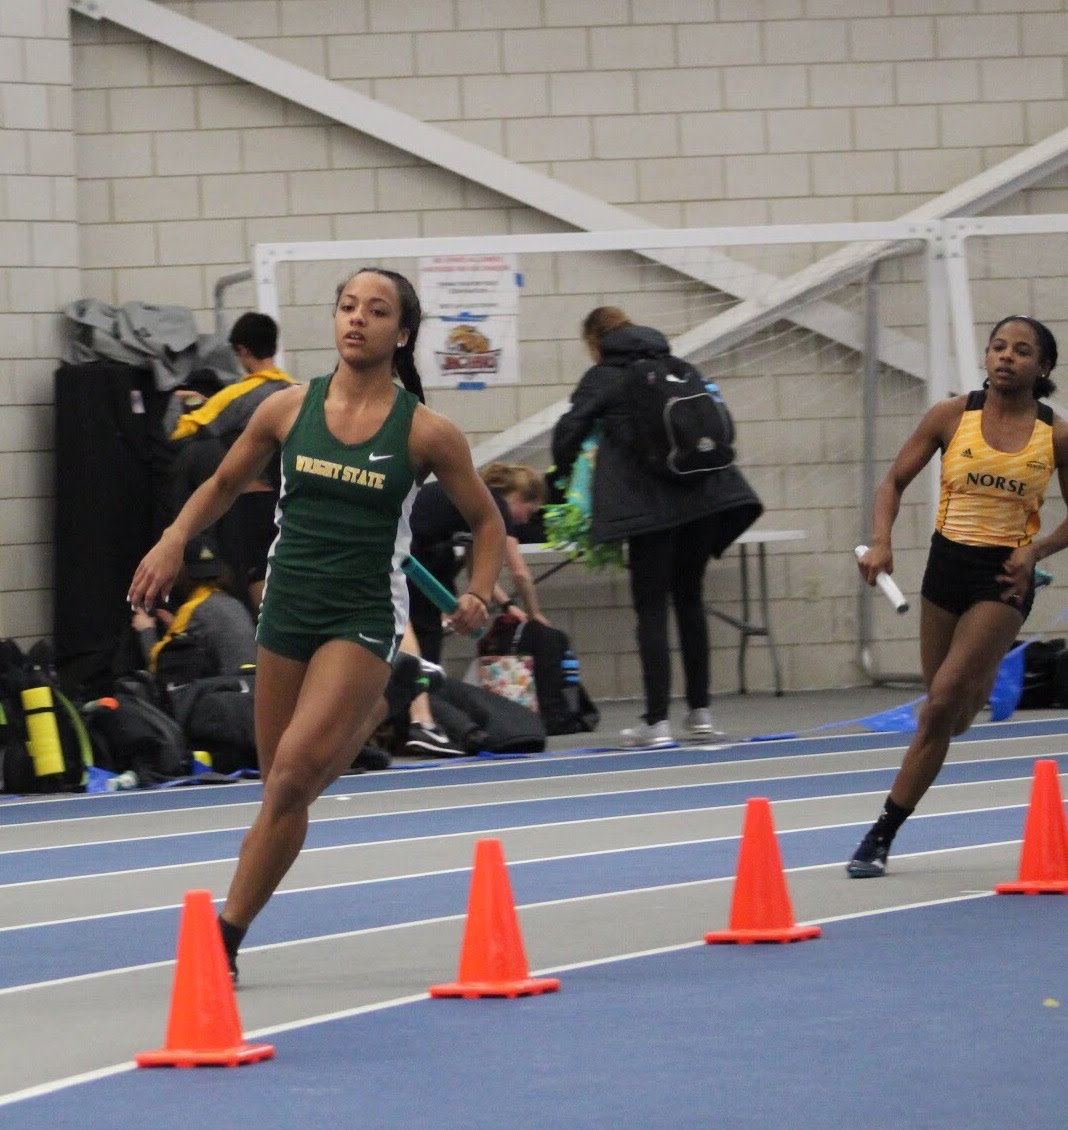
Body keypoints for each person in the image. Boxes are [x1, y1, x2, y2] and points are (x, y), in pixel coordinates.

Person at [129, 267, 506, 980]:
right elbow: (221, 484)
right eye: (346, 306)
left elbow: (486, 521)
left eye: (376, 310)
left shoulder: (427, 432)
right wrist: (173, 539)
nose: (356, 319)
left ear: (402, 332)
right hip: (288, 605)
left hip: (360, 611)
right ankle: (370, 718)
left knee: (296, 776)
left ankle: (223, 940)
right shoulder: (284, 409)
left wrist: (480, 591)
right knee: (280, 788)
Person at [849, 314, 1068, 877]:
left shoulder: (1056, 434)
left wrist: (1036, 552)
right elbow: (892, 482)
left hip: (1005, 577)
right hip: (946, 567)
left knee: (942, 702)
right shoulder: (951, 415)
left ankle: (880, 834)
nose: (1006, 357)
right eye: (998, 347)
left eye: (1021, 351)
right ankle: (976, 686)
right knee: (949, 712)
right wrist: (881, 541)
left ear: (1042, 367)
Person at [551, 305, 762, 748]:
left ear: (594, 343)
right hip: (705, 500)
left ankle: (657, 721)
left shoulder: (604, 376)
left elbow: (568, 432)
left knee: (651, 607)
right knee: (690, 600)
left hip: (649, 508)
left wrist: (562, 478)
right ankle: (700, 713)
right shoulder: (680, 368)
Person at [402, 461, 547, 757]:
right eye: (529, 512)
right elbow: (519, 572)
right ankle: (422, 720)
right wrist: (535, 613)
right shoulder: (494, 508)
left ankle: (421, 715)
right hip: (406, 547)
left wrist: (505, 604)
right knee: (416, 632)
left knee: (426, 636)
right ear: (518, 497)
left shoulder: (471, 501)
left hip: (415, 545)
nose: (523, 521)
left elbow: (479, 572)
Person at [170, 312, 297, 610]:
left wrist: (181, 402)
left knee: (266, 600)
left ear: (241, 351)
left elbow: (179, 432)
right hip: (295, 504)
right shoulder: (297, 392)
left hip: (255, 508)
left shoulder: (238, 396)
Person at [130, 534, 257, 683]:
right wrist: (177, 626)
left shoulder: (193, 609)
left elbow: (159, 663)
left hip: (230, 697)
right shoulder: (234, 604)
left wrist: (146, 629)